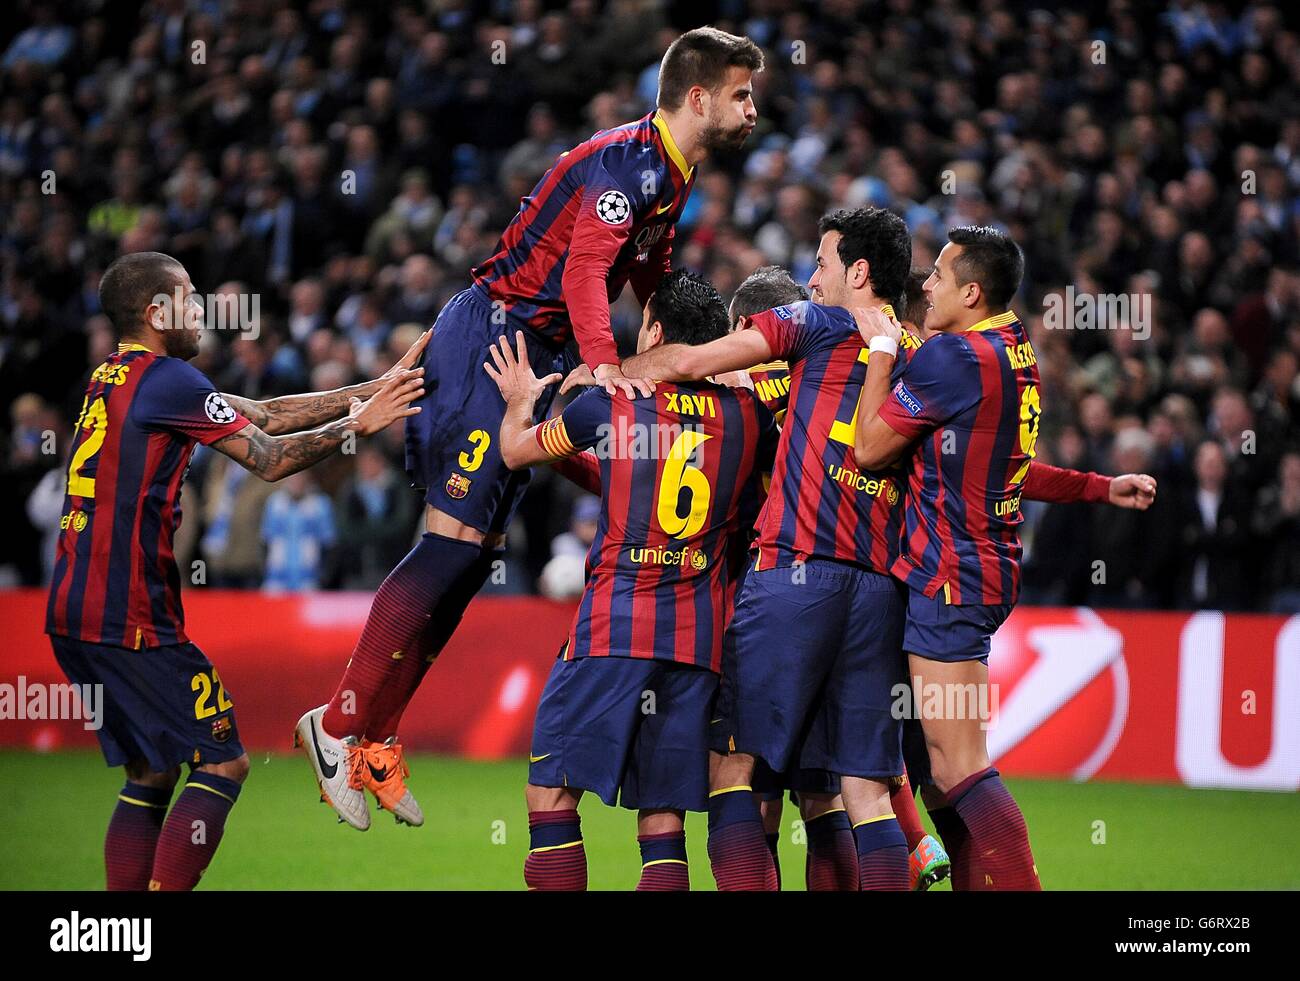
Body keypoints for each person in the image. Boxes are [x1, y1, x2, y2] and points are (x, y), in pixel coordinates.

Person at [296, 27, 765, 830]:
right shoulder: (634, 162)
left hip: (531, 348)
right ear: (698, 97)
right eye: (742, 94)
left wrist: (678, 356)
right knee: (450, 543)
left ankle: (375, 733)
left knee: (476, 557)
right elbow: (585, 268)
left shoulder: (672, 174)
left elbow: (642, 272)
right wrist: (605, 366)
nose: (753, 109)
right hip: (498, 337)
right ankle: (336, 722)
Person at [45, 251, 425, 890]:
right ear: (155, 312)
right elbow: (271, 457)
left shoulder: (112, 377)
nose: (200, 311)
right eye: (189, 297)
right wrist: (359, 426)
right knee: (225, 765)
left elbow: (266, 414)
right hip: (130, 612)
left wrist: (370, 388)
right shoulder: (168, 380)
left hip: (72, 608)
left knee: (150, 774)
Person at [484, 270, 778, 890]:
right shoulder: (751, 417)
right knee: (663, 822)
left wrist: (520, 402)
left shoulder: (613, 403)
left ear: (655, 330)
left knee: (551, 796)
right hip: (697, 642)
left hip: (614, 628)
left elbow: (516, 452)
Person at [850, 225, 1047, 889]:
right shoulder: (1014, 347)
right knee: (935, 767)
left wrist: (882, 351)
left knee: (959, 763)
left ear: (971, 290)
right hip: (983, 566)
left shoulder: (954, 357)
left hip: (950, 575)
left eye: (938, 274)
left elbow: (870, 449)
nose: (924, 284)